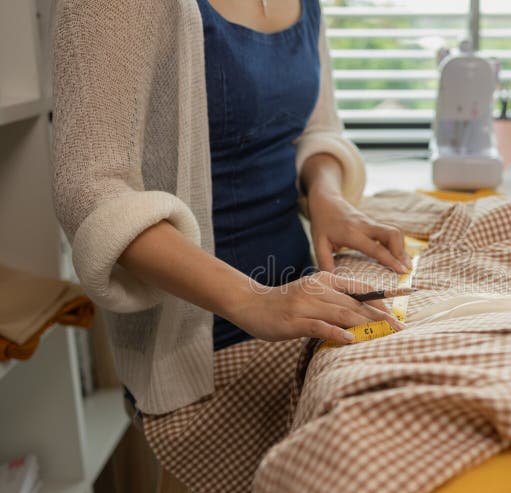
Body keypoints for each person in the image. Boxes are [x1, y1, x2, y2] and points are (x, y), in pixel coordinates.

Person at [52, 0, 407, 418]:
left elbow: (317, 127)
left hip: (302, 293)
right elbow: (90, 190)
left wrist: (325, 196)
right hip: (204, 340)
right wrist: (254, 301)